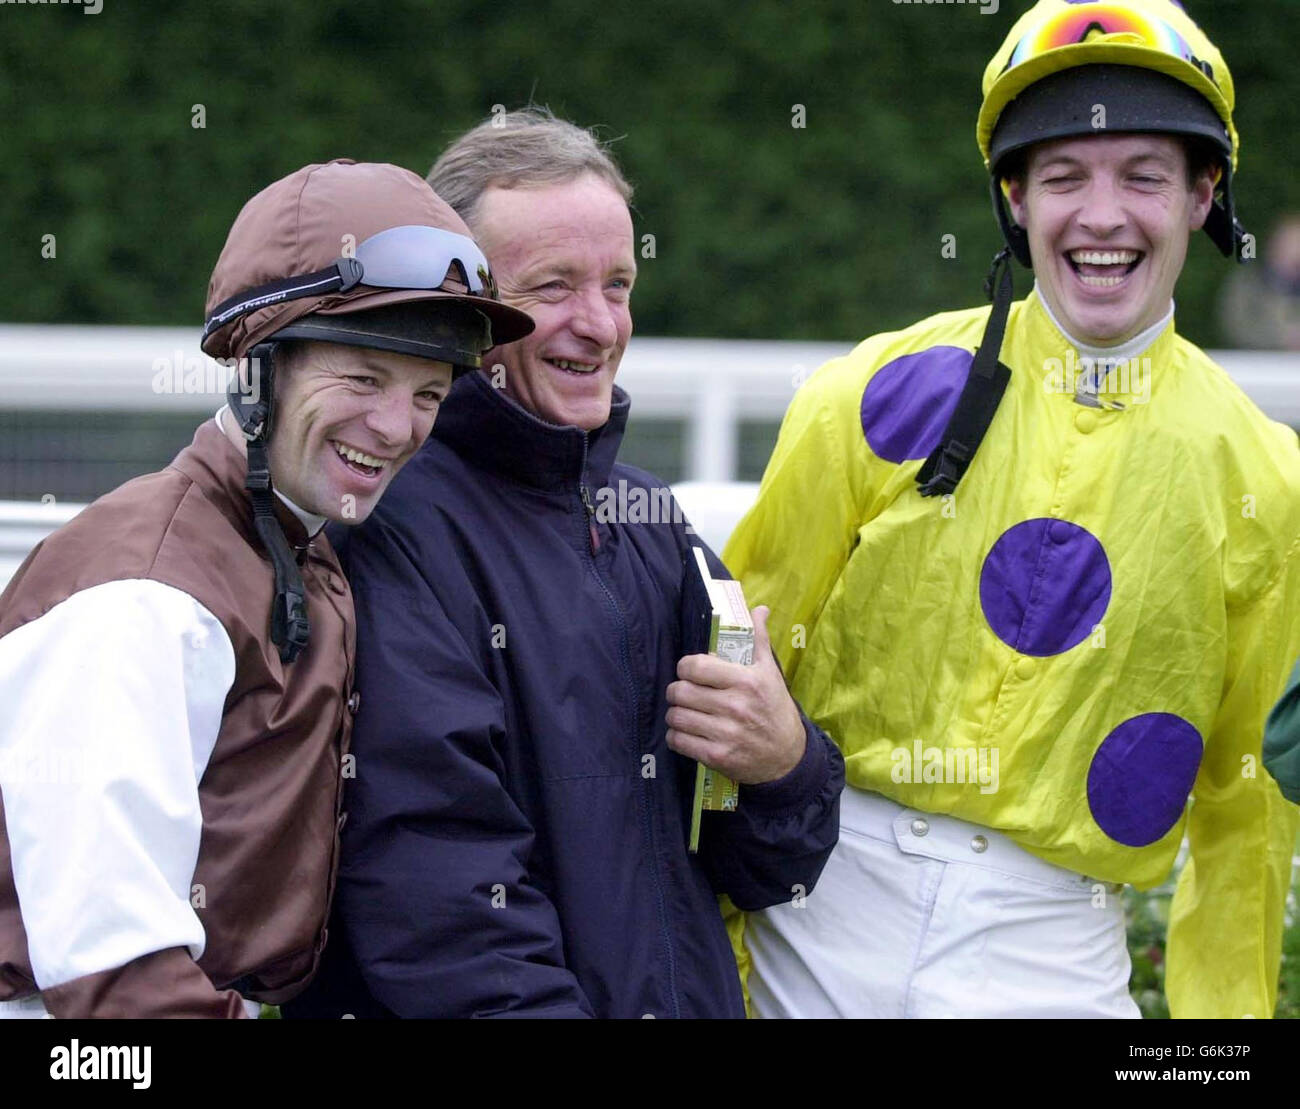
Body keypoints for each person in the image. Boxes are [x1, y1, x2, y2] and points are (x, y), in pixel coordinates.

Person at [723, 0, 1300, 1019]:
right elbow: (736, 676)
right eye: (1065, 176)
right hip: (811, 905)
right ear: (1014, 198)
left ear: (1204, 194)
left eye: (1143, 177)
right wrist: (705, 951)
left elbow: (1244, 807)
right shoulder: (863, 394)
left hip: (1053, 948)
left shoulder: (1270, 478)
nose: (1102, 215)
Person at [285, 110, 843, 1019]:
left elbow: (770, 869)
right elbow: (446, 920)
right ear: (462, 305)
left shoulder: (656, 527)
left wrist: (787, 761)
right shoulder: (386, 532)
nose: (599, 324)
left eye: (617, 283)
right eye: (553, 286)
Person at [0, 159, 531, 1018]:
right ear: (257, 370)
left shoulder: (294, 540)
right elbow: (113, 975)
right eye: (361, 378)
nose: (396, 429)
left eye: (428, 394)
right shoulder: (144, 598)